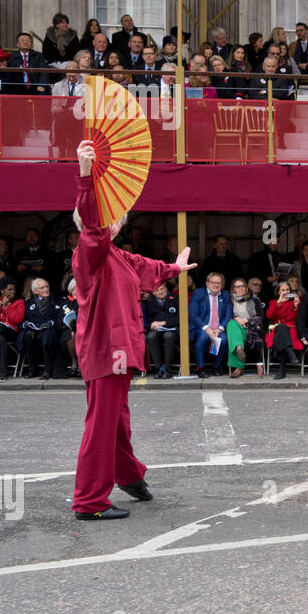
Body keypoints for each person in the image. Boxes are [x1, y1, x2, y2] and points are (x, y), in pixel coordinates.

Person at [71, 141, 195, 520]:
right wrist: (85, 176)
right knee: (102, 424)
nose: (118, 219)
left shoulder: (117, 256)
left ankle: (127, 475)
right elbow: (93, 224)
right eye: (113, 215)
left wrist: (174, 268)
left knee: (116, 420)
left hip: (118, 350)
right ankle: (89, 501)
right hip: (108, 350)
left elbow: (148, 268)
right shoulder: (91, 250)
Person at [19, 277, 64, 379]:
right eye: (42, 288)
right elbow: (21, 320)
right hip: (34, 330)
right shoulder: (28, 303)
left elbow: (61, 318)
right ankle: (32, 369)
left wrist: (51, 322)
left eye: (46, 286)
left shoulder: (58, 300)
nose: (46, 289)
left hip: (50, 330)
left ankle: (48, 370)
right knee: (26, 336)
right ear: (35, 291)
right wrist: (26, 324)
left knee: (46, 337)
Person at [189, 272, 231, 377]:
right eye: (213, 282)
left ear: (222, 285)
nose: (216, 285)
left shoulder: (225, 295)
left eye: (218, 283)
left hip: (218, 329)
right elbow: (193, 315)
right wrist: (207, 329)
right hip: (201, 327)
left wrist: (220, 329)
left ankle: (216, 367)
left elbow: (228, 314)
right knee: (204, 337)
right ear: (207, 283)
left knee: (224, 340)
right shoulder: (199, 293)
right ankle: (200, 367)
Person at [225, 277, 264, 377]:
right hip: (236, 328)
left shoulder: (254, 300)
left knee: (233, 334)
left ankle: (239, 367)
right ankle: (239, 349)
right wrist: (236, 318)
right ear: (233, 289)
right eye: (237, 287)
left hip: (252, 329)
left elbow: (260, 319)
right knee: (231, 324)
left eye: (242, 286)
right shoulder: (230, 301)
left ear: (246, 287)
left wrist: (246, 320)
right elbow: (227, 316)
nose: (240, 288)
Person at [267, 279, 302, 380]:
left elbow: (297, 318)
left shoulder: (294, 302)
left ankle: (282, 370)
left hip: (292, 330)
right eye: (283, 290)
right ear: (278, 292)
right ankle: (291, 355)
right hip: (277, 329)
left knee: (282, 336)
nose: (286, 292)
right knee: (281, 329)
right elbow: (269, 316)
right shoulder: (273, 302)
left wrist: (296, 306)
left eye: (287, 289)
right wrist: (278, 303)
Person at [143, 281, 179, 379]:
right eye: (157, 290)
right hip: (156, 329)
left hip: (171, 329)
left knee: (168, 336)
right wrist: (151, 325)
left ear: (166, 289)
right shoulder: (150, 302)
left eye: (162, 289)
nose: (160, 292)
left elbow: (179, 318)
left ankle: (167, 368)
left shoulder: (175, 299)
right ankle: (159, 369)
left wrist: (163, 323)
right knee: (151, 337)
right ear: (153, 293)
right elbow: (148, 319)